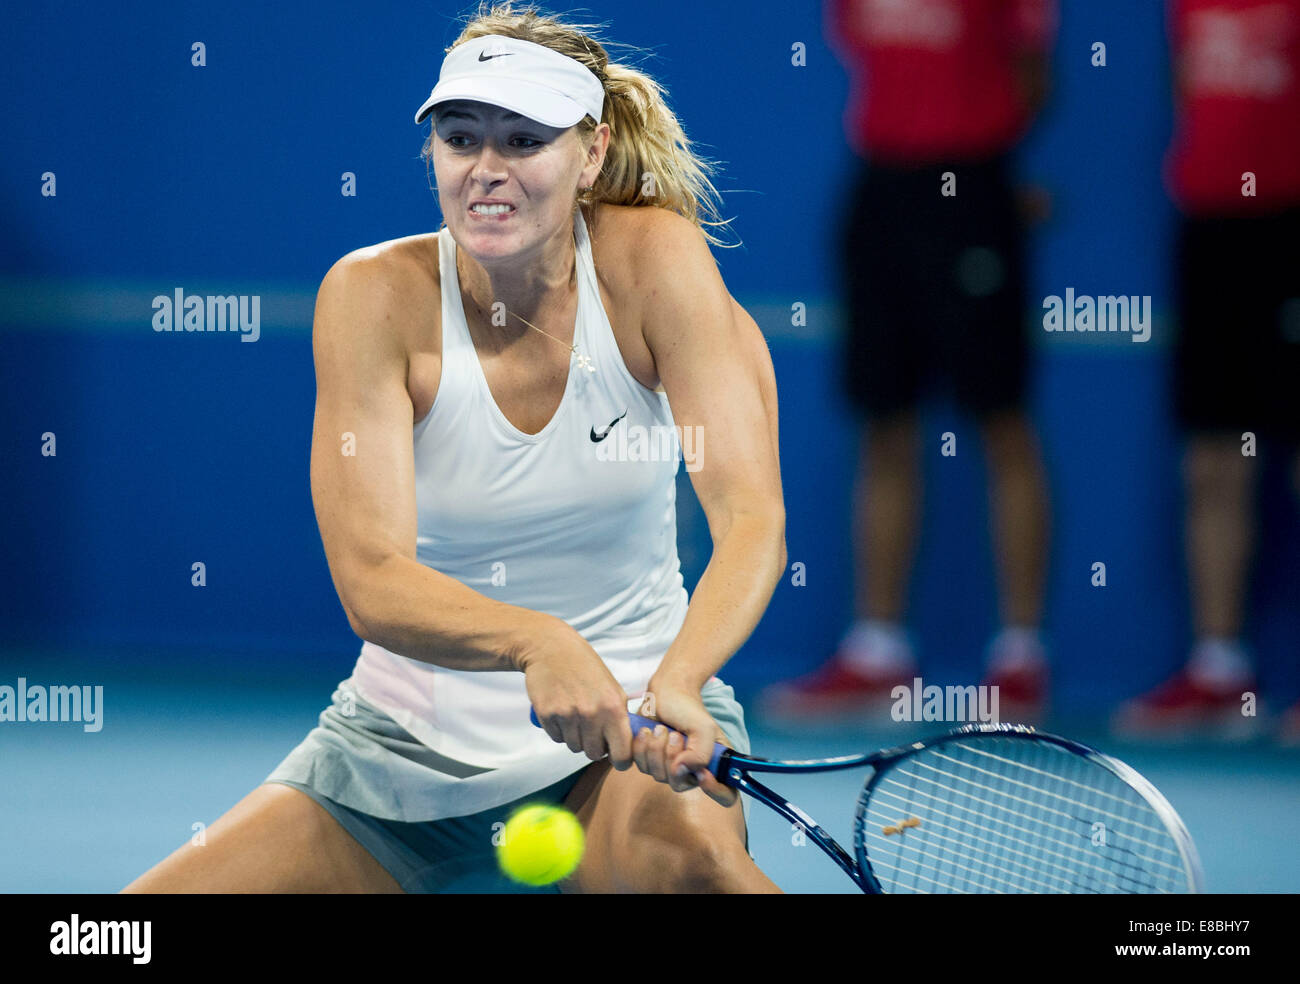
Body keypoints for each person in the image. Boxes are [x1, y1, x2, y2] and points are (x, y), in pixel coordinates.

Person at [122, 3, 785, 893]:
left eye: (523, 141)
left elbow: (750, 519)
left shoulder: (655, 262)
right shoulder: (370, 297)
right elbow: (372, 577)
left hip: (627, 740)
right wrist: (534, 642)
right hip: (398, 759)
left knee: (702, 874)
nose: (486, 171)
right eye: (461, 138)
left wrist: (681, 681)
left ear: (589, 155)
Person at [763, 0, 1056, 722]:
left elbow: (1032, 75)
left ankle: (1019, 661)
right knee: (883, 422)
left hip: (973, 190)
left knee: (1001, 420)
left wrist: (980, 160)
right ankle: (878, 652)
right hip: (881, 190)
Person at [1114, 0, 1300, 741]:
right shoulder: (1189, 8)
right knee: (1212, 461)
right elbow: (1184, 90)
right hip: (1209, 231)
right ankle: (1221, 670)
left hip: (1290, 233)